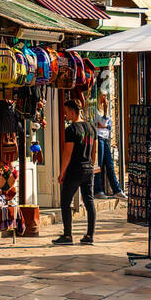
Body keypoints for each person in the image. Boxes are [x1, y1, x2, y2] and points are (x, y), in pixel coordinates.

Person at [53, 98, 96, 245]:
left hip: (75, 169)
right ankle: (90, 235)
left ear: (72, 112)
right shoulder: (91, 128)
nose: (65, 115)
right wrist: (91, 166)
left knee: (65, 202)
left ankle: (67, 235)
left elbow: (68, 152)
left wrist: (62, 172)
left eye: (66, 112)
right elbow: (94, 152)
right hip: (88, 168)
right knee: (89, 201)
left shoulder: (71, 130)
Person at [92, 96, 126, 200]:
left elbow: (110, 125)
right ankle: (98, 190)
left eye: (107, 96)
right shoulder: (96, 110)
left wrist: (104, 124)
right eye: (104, 96)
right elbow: (103, 123)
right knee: (99, 165)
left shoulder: (105, 111)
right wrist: (104, 123)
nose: (105, 99)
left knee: (110, 165)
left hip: (105, 138)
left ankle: (117, 190)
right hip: (98, 138)